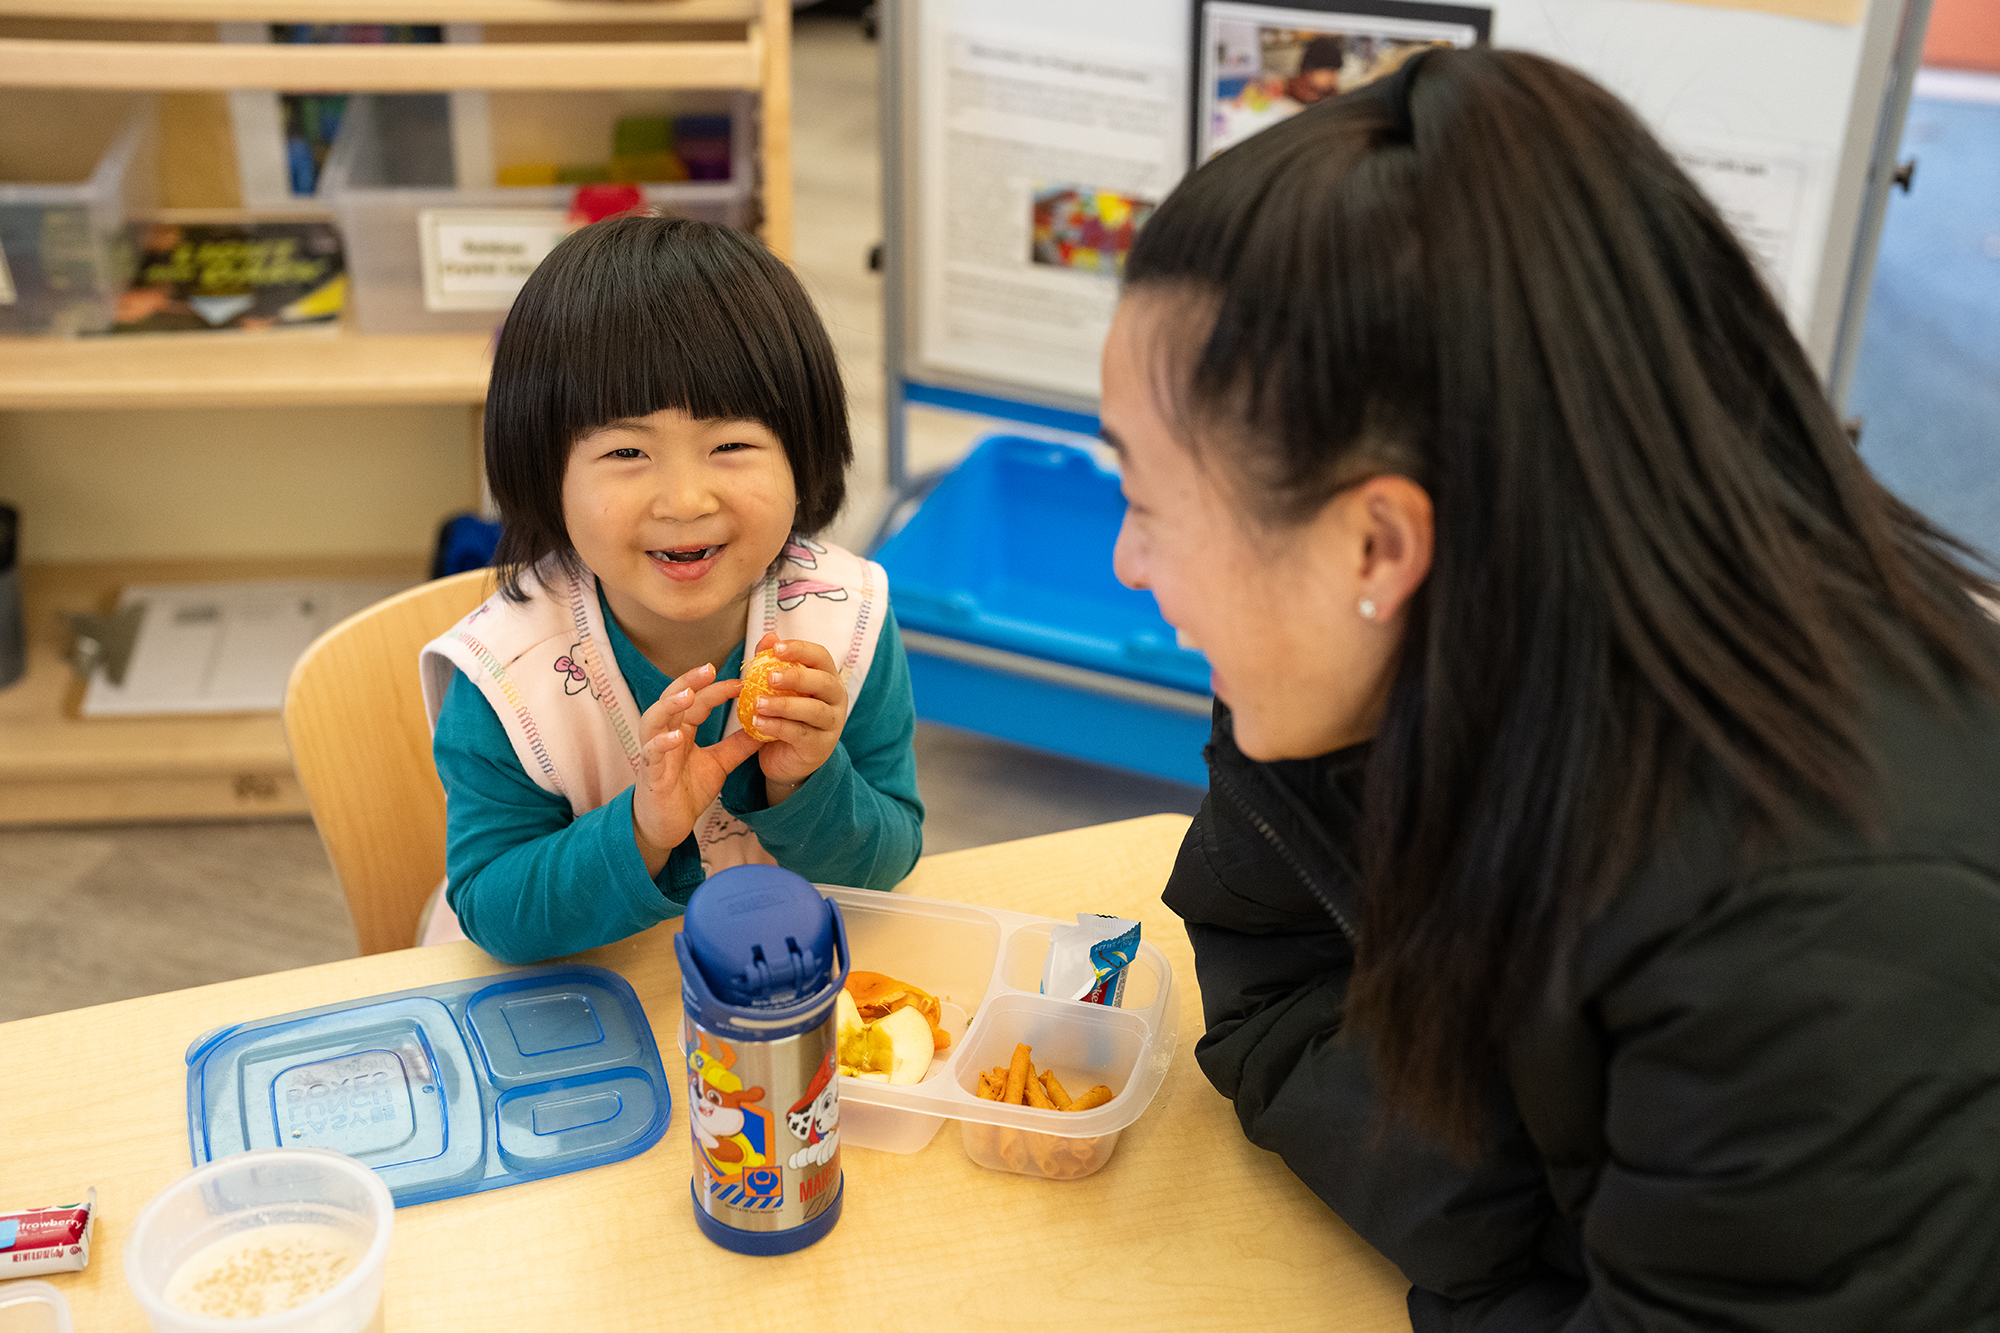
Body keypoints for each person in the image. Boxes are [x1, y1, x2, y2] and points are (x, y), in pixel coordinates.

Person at [1106, 47, 2000, 1331]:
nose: (1126, 562)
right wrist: (1523, 1237)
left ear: (1375, 544)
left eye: (1145, 498)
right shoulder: (1398, 644)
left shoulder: (1816, 949)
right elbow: (1273, 982)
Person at [418, 215, 923, 964]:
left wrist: (807, 783)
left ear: (802, 451)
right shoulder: (506, 674)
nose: (684, 500)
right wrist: (645, 827)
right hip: (579, 1000)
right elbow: (495, 909)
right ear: (543, 468)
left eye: (731, 445)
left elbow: (889, 858)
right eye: (626, 450)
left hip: (773, 981)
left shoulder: (845, 619)